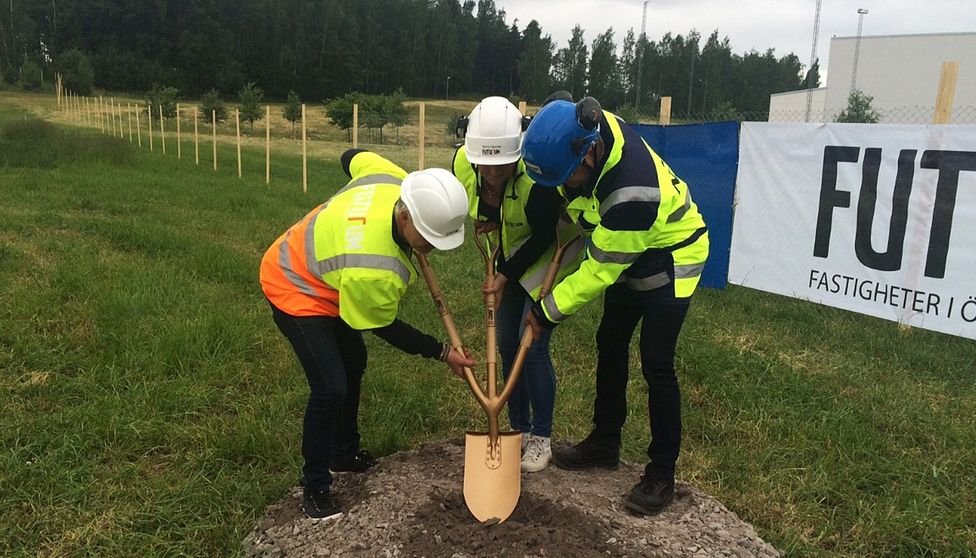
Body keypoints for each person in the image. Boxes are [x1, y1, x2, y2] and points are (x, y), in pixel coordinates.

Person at [259, 149, 476, 520]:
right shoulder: (377, 268)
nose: (430, 250)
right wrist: (443, 353)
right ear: (405, 215)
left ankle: (343, 451)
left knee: (354, 360)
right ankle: (315, 486)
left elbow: (350, 156)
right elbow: (385, 326)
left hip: (334, 280)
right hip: (294, 283)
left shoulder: (390, 176)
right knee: (331, 386)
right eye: (427, 240)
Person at [521, 97, 709, 515]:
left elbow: (599, 270)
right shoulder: (585, 128)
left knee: (656, 362)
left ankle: (661, 473)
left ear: (589, 152)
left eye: (568, 179)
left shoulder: (631, 192)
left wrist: (546, 310)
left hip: (672, 255)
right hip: (628, 248)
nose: (566, 188)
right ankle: (605, 442)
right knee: (610, 341)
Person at [452, 96, 579, 472]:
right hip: (513, 249)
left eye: (501, 167)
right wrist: (487, 217)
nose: (491, 174)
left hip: (553, 252)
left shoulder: (536, 180)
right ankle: (518, 430)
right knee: (507, 343)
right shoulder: (463, 162)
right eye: (485, 167)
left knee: (532, 342)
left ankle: (541, 438)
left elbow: (543, 235)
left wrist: (505, 276)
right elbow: (482, 200)